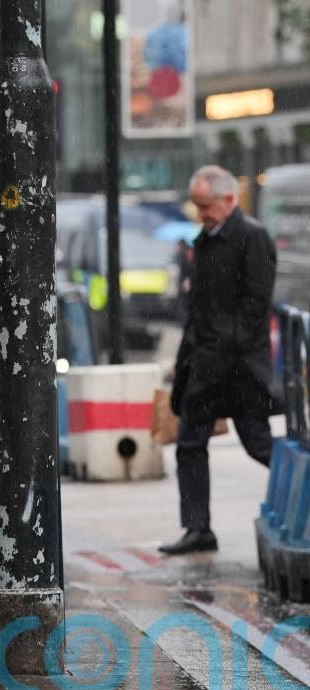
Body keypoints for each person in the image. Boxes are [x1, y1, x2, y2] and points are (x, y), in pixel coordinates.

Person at [162, 165, 278, 555]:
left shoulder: (252, 237)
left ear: (229, 200)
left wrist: (224, 348)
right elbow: (199, 309)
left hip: (240, 366)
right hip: (205, 363)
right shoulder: (206, 240)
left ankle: (302, 488)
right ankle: (198, 529)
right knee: (189, 441)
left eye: (206, 206)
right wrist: (188, 358)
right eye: (197, 206)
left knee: (257, 442)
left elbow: (256, 305)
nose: (201, 214)